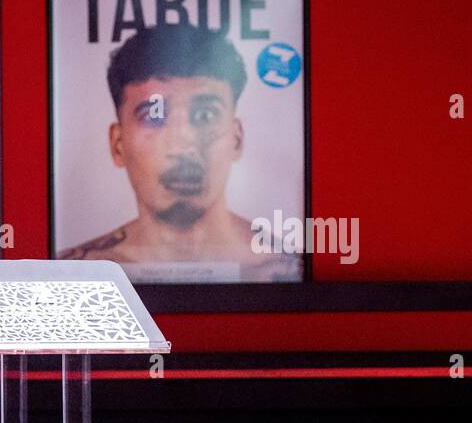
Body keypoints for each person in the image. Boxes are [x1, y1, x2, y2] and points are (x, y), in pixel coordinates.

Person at [56, 22, 301, 281]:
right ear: (118, 144)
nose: (183, 146)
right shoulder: (72, 277)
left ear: (236, 139)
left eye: (206, 114)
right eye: (152, 114)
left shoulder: (289, 273)